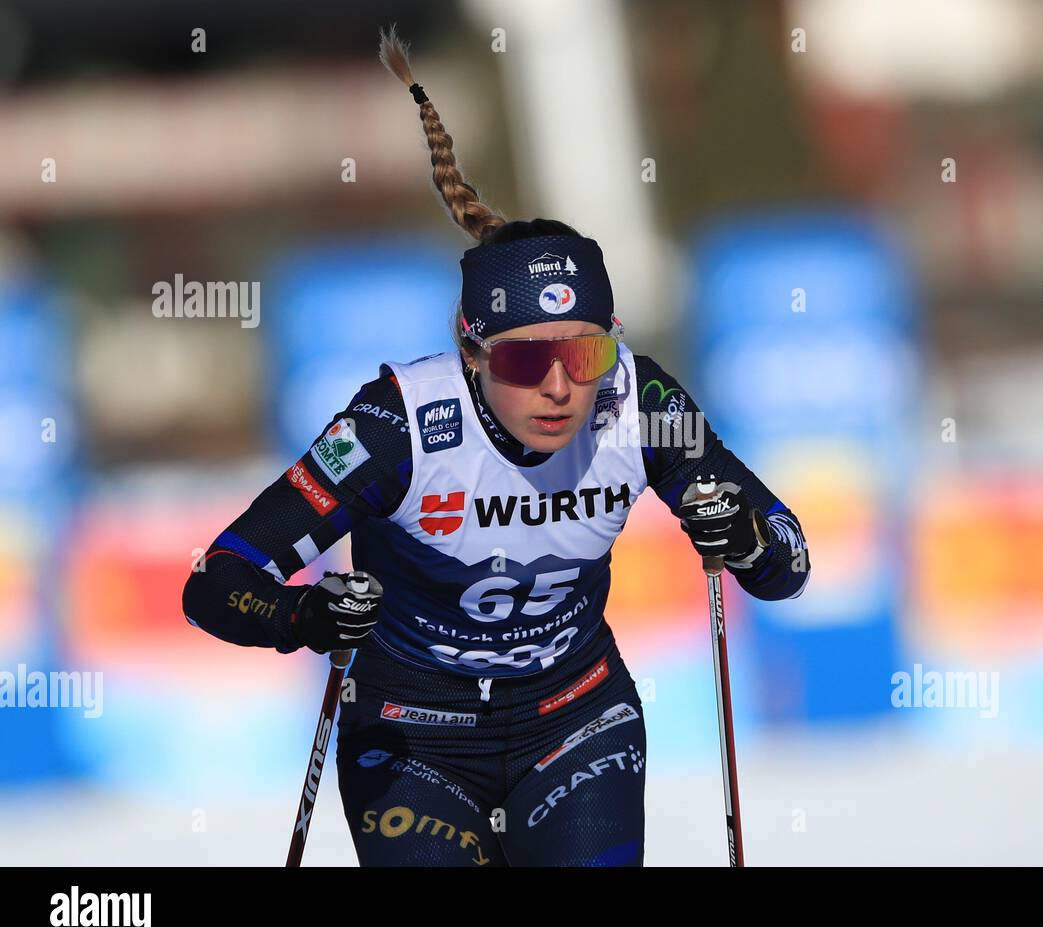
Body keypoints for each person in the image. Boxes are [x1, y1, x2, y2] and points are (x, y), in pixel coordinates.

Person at [181, 27, 809, 867]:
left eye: (583, 353)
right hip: (413, 735)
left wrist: (747, 540)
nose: (560, 388)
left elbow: (789, 560)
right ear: (472, 352)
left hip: (577, 714)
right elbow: (215, 582)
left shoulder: (639, 398)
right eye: (525, 360)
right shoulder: (399, 423)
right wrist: (305, 615)